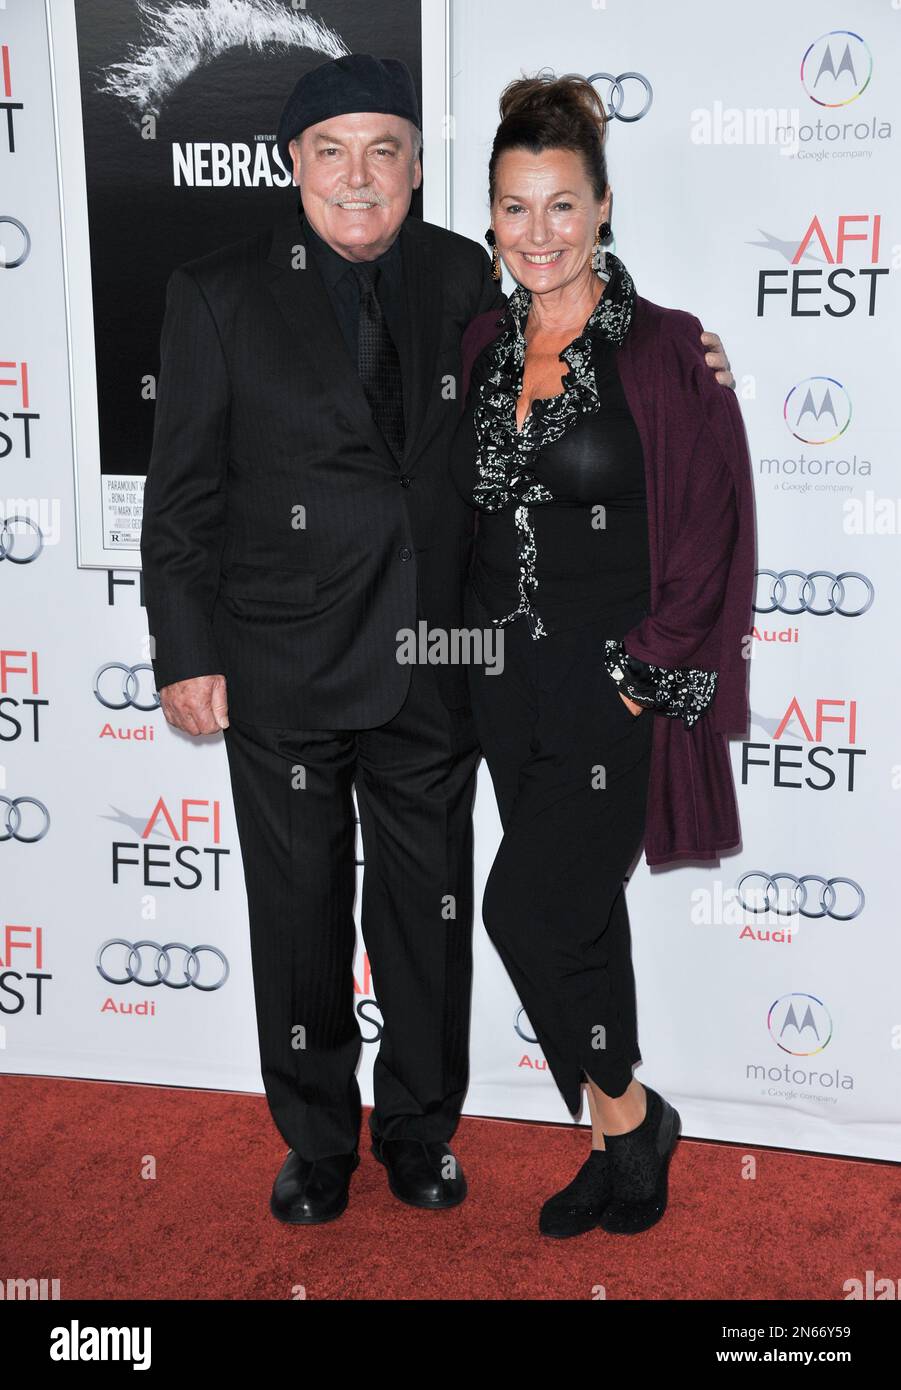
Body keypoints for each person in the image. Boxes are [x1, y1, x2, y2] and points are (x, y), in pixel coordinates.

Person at [140, 54, 735, 1227]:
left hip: (441, 669)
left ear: (416, 168)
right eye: (331, 151)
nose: (358, 178)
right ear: (291, 163)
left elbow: (591, 337)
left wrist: (695, 364)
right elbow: (181, 498)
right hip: (283, 668)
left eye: (385, 152)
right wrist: (183, 648)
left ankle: (419, 1128)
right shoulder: (216, 292)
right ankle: (317, 1142)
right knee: (299, 912)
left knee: (432, 914)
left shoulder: (462, 277)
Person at [451, 72, 755, 1237]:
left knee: (523, 911)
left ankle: (632, 1114)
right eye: (516, 209)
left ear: (604, 208)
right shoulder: (477, 340)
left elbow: (710, 526)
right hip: (498, 683)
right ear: (490, 218)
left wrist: (643, 676)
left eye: (562, 207)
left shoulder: (671, 351)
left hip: (608, 682)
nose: (540, 234)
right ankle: (616, 1146)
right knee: (580, 920)